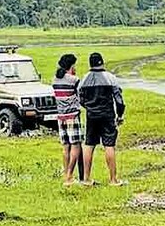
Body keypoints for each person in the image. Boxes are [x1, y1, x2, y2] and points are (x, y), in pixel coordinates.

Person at [78, 52, 125, 186]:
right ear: (102, 62)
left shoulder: (84, 79)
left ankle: (86, 179)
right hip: (107, 115)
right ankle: (113, 179)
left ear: (90, 64)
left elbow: (80, 98)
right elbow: (119, 100)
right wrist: (120, 115)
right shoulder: (110, 78)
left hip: (91, 116)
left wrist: (89, 107)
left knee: (89, 145)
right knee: (109, 145)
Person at [53, 54, 83, 186]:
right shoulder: (74, 80)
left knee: (65, 148)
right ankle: (70, 175)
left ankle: (66, 174)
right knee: (75, 146)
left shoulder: (54, 80)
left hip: (61, 117)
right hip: (72, 116)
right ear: (71, 66)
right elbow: (80, 96)